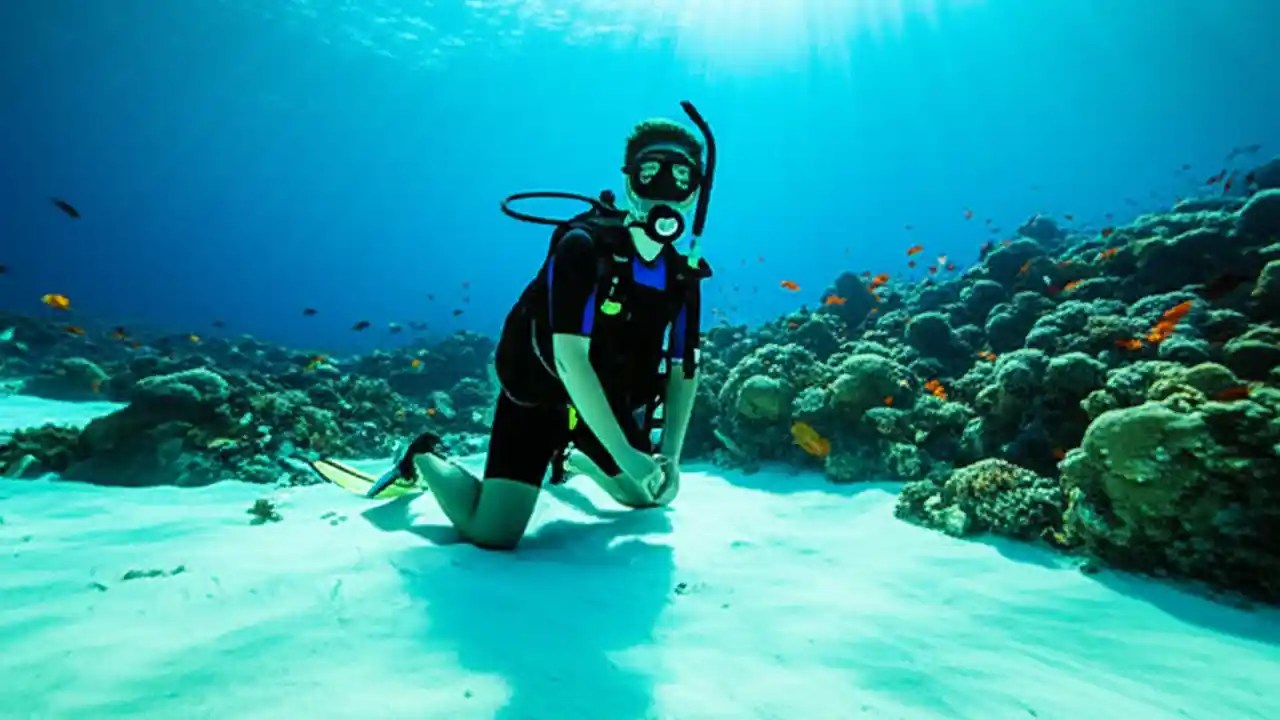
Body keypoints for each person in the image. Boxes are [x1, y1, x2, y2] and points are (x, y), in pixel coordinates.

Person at [380, 101, 718, 550]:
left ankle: (574, 458)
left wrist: (669, 455)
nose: (664, 190)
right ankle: (421, 456)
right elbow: (569, 357)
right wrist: (626, 455)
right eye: (650, 172)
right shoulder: (582, 247)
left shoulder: (682, 277)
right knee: (493, 534)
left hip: (603, 403)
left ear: (694, 192)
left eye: (680, 178)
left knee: (651, 497)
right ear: (628, 179)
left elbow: (683, 369)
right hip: (540, 393)